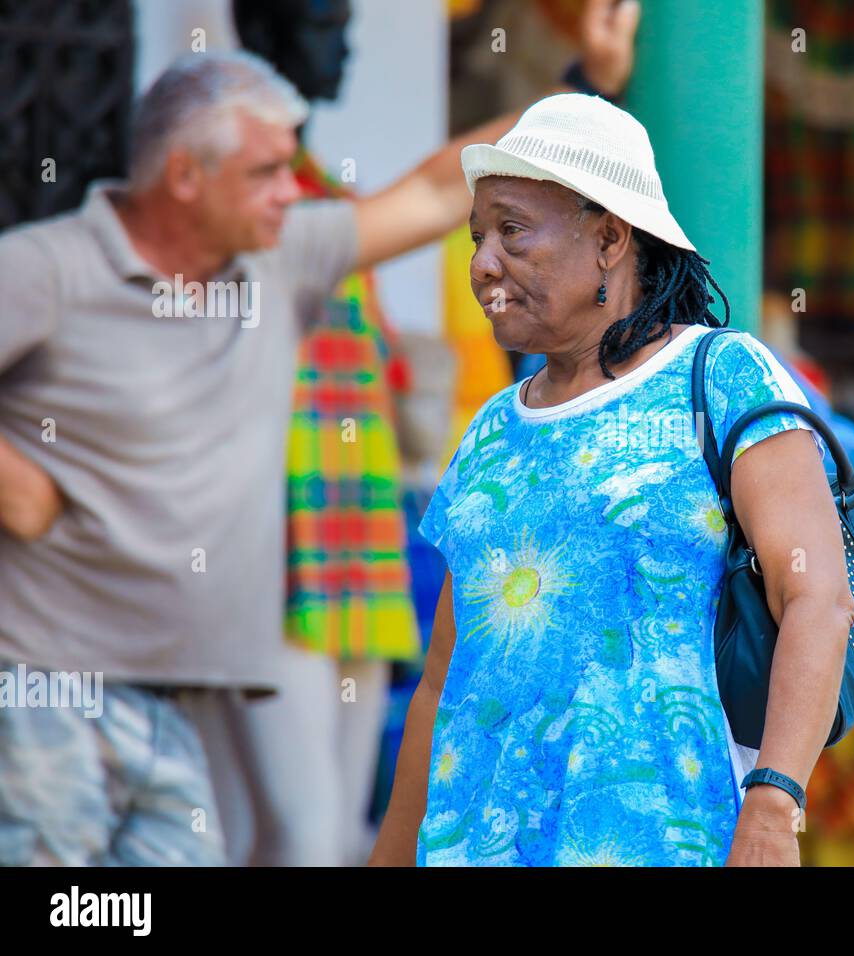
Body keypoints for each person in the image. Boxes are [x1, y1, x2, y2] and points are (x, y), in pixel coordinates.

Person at [0, 0, 638, 866]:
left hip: (182, 695)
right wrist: (19, 484)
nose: (287, 191)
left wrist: (583, 93)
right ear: (186, 177)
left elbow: (429, 191)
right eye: (265, 172)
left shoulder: (279, 257)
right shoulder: (49, 267)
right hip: (46, 691)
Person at [370, 94, 854, 867]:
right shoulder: (491, 431)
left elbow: (817, 598)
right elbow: (439, 686)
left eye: (513, 232)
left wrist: (773, 802)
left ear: (608, 238)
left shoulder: (721, 375)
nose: (482, 263)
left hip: (663, 836)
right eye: (477, 237)